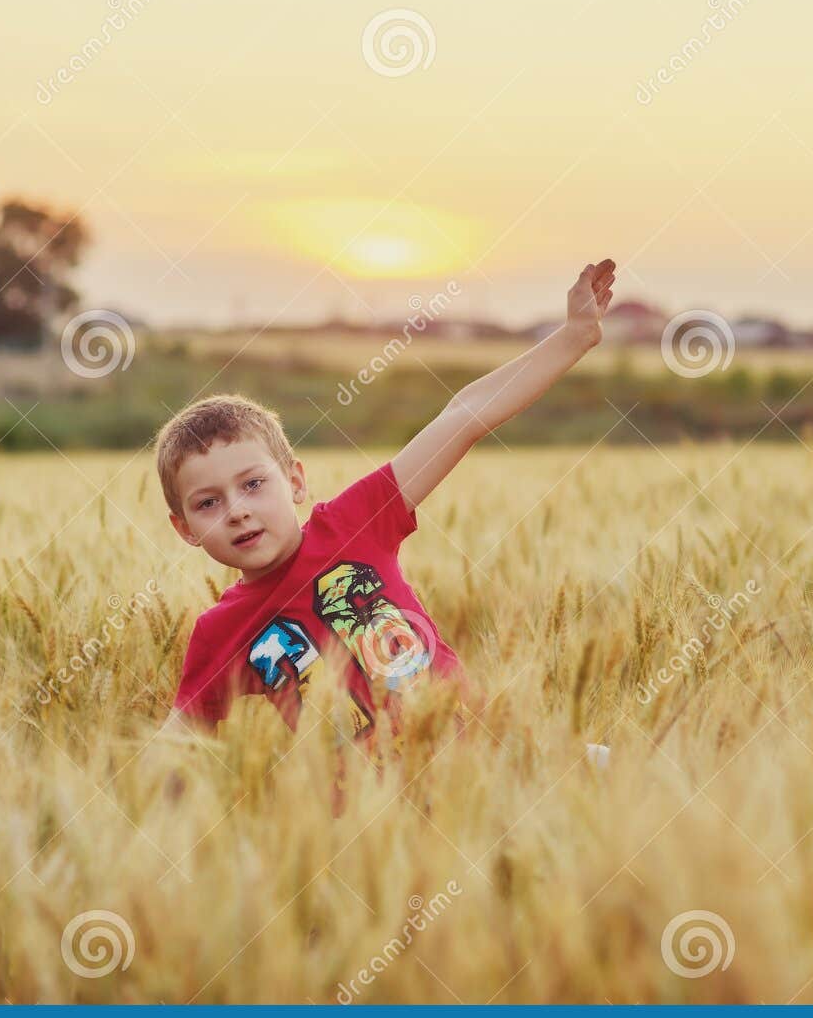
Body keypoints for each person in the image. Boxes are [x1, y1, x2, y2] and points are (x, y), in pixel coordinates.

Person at [155, 260, 618, 803]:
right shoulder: (220, 632)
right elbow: (174, 751)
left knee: (645, 785)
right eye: (209, 502)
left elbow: (463, 415)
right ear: (184, 529)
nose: (236, 510)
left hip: (509, 763)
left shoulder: (356, 522)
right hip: (379, 825)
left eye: (253, 484)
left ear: (296, 482)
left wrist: (573, 337)